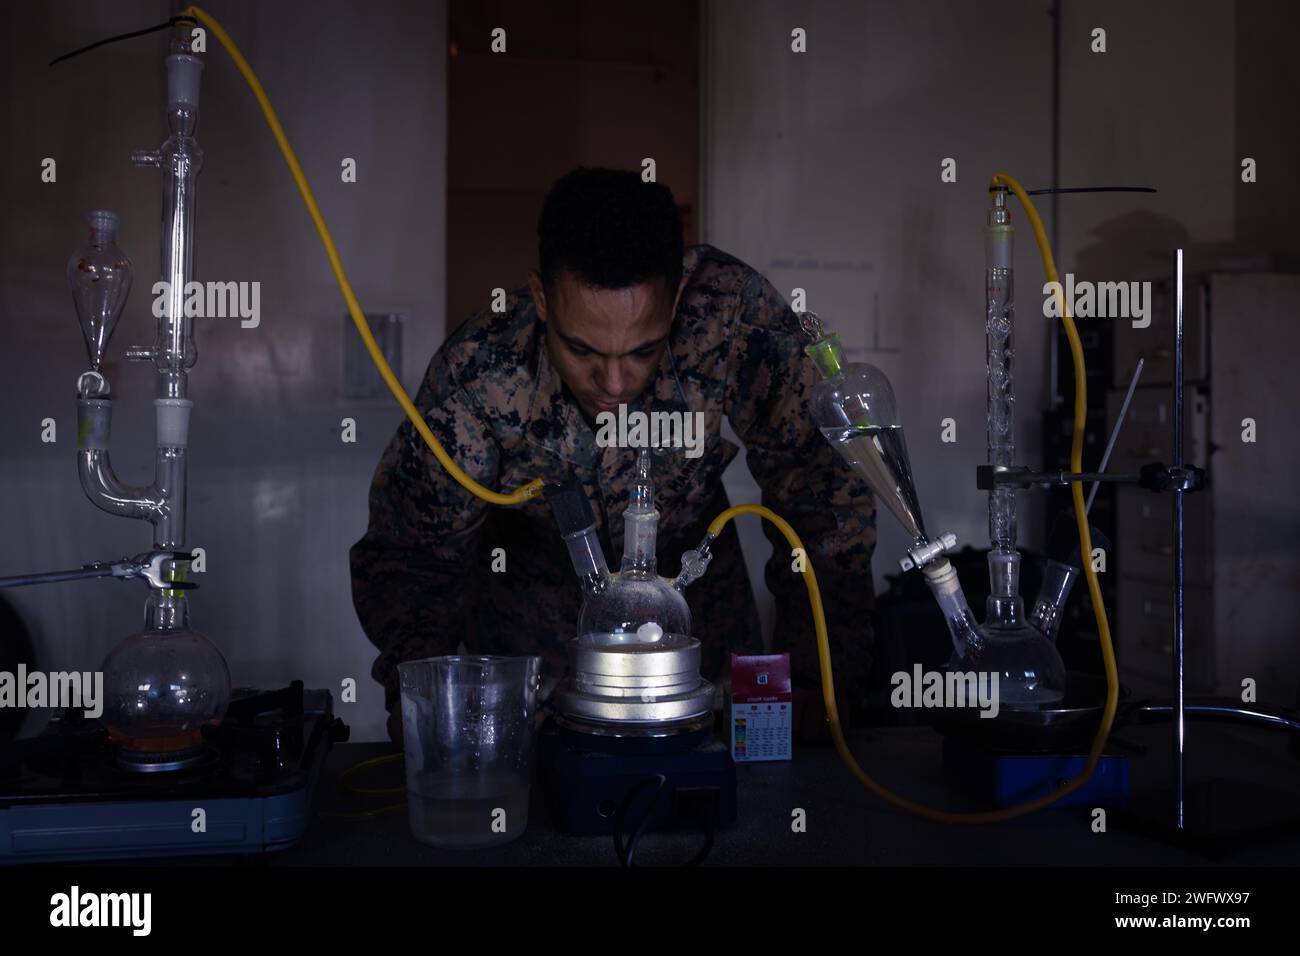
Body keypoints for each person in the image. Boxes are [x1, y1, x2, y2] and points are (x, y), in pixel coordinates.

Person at [349, 167, 877, 745]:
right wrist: (425, 698)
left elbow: (823, 493)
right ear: (542, 298)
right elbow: (411, 554)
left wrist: (817, 672)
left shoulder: (730, 316)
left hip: (699, 651)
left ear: (676, 296)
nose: (616, 382)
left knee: (724, 814)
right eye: (582, 350)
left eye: (644, 350)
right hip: (535, 670)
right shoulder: (481, 372)